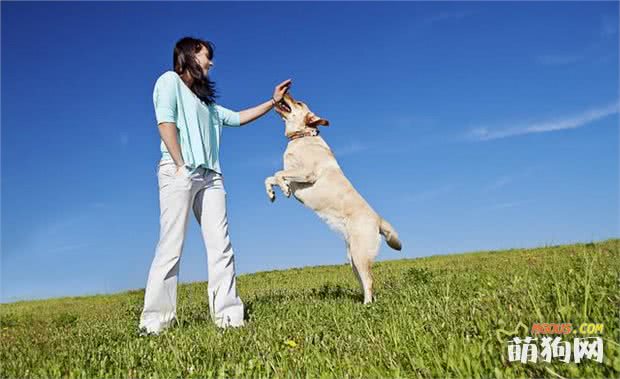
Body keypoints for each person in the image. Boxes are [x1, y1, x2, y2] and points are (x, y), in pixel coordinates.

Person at [139, 36, 291, 334]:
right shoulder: (169, 81)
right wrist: (181, 165)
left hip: (212, 178)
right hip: (178, 171)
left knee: (221, 246)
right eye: (207, 56)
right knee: (171, 246)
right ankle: (154, 323)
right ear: (191, 54)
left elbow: (236, 117)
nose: (211, 62)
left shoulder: (207, 105)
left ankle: (229, 317)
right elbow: (165, 122)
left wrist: (273, 101)